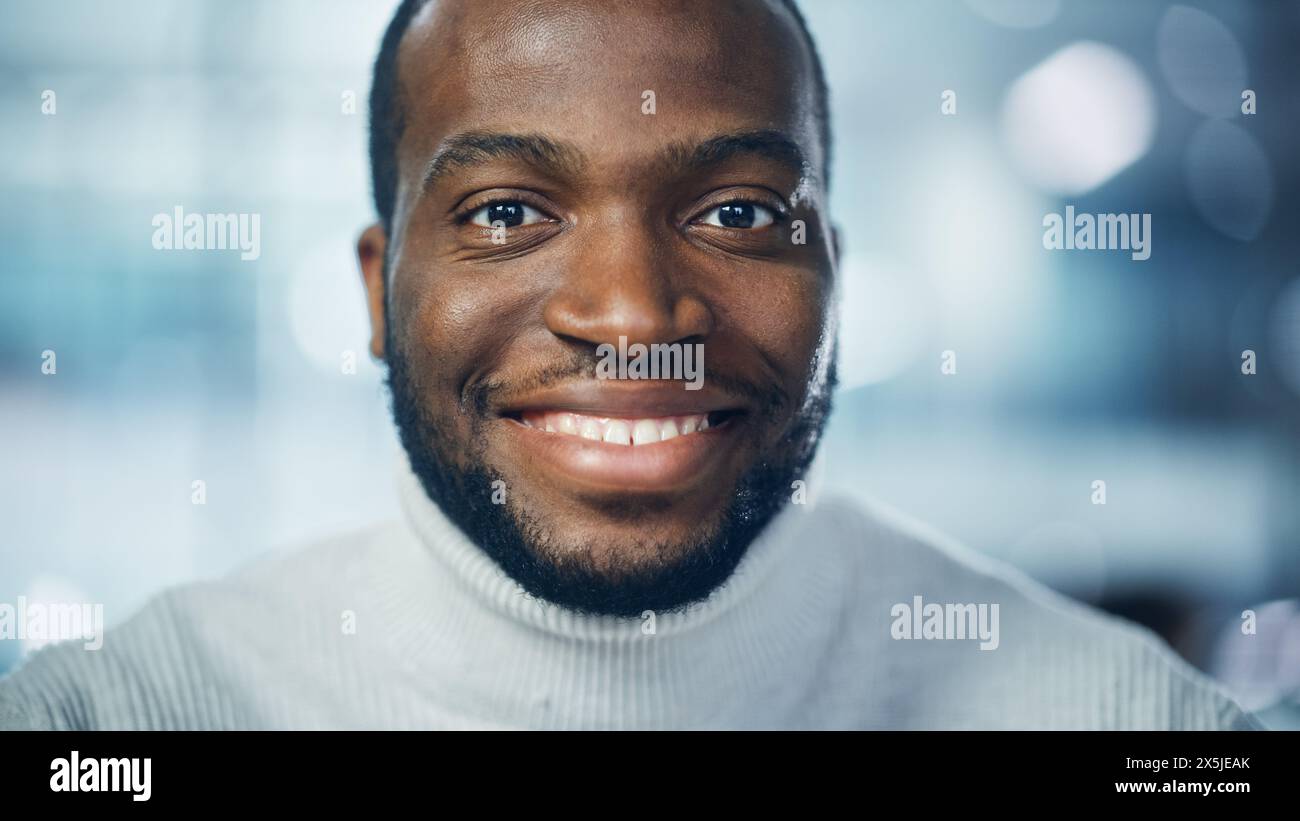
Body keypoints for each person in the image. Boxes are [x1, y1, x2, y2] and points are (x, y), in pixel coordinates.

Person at [0, 0, 1257, 730]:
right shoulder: (123, 721)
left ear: (837, 273)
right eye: (504, 212)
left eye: (739, 213)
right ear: (379, 291)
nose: (631, 313)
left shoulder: (1118, 722)